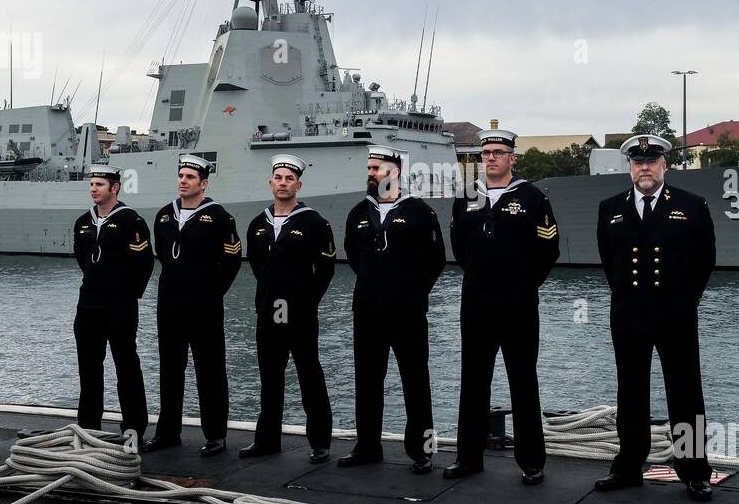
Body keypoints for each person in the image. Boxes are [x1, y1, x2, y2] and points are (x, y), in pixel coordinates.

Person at [593, 134, 716, 499]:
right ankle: (629, 465)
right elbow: (608, 261)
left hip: (675, 315)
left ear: (664, 165)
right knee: (630, 393)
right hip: (629, 314)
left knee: (686, 393)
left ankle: (694, 469)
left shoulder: (692, 206)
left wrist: (683, 300)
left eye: (651, 161)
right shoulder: (610, 208)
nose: (644, 167)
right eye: (637, 162)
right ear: (630, 167)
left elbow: (704, 261)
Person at [445, 128, 560, 485]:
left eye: (498, 152)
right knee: (474, 380)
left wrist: (523, 284)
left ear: (512, 157)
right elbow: (460, 249)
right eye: (486, 152)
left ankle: (531, 461)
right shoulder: (465, 197)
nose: (491, 157)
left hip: (518, 305)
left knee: (523, 381)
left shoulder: (532, 198)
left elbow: (548, 250)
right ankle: (468, 457)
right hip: (477, 303)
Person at [341, 145, 446, 473]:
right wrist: (375, 283)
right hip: (368, 310)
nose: (370, 173)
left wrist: (411, 291)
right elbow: (353, 254)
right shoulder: (358, 212)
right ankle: (367, 446)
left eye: (377, 168)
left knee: (416, 381)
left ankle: (422, 450)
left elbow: (436, 259)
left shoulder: (420, 211)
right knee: (367, 380)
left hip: (408, 312)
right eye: (369, 168)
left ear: (395, 171)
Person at [240, 153, 336, 463]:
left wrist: (306, 301)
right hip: (268, 312)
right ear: (271, 183)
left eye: (289, 179)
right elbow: (258, 265)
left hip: (300, 314)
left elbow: (325, 269)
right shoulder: (257, 224)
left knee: (310, 375)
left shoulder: (314, 222)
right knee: (269, 377)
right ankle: (266, 441)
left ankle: (320, 442)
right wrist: (271, 294)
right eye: (278, 178)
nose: (283, 183)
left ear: (298, 184)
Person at [144, 155, 242, 456]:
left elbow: (232, 260)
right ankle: (168, 432)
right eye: (181, 175)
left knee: (210, 371)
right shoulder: (163, 215)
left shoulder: (220, 217)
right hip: (170, 305)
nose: (183, 180)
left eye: (190, 177)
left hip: (204, 307)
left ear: (203, 183)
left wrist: (211, 292)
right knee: (170, 370)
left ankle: (215, 435)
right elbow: (162, 254)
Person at [72, 163, 154, 443]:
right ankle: (88, 427)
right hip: (89, 305)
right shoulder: (83, 221)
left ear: (114, 187)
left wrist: (126, 293)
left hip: (120, 305)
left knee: (126, 366)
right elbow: (82, 258)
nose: (93, 189)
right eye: (92, 184)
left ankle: (133, 429)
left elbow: (144, 264)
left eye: (99, 185)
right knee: (89, 367)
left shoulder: (132, 221)